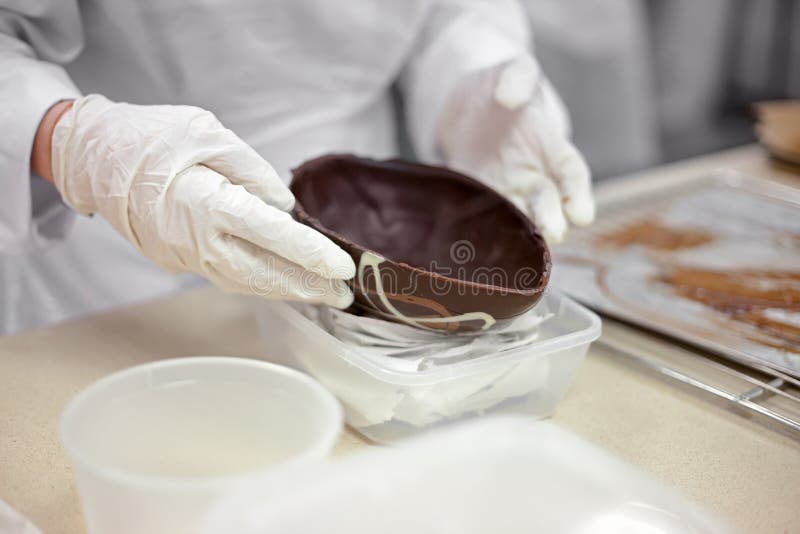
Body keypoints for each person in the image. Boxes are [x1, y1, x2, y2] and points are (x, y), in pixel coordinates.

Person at [0, 0, 594, 334]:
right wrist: (67, 138)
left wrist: (473, 77)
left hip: (364, 248)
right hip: (120, 233)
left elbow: (447, 12)